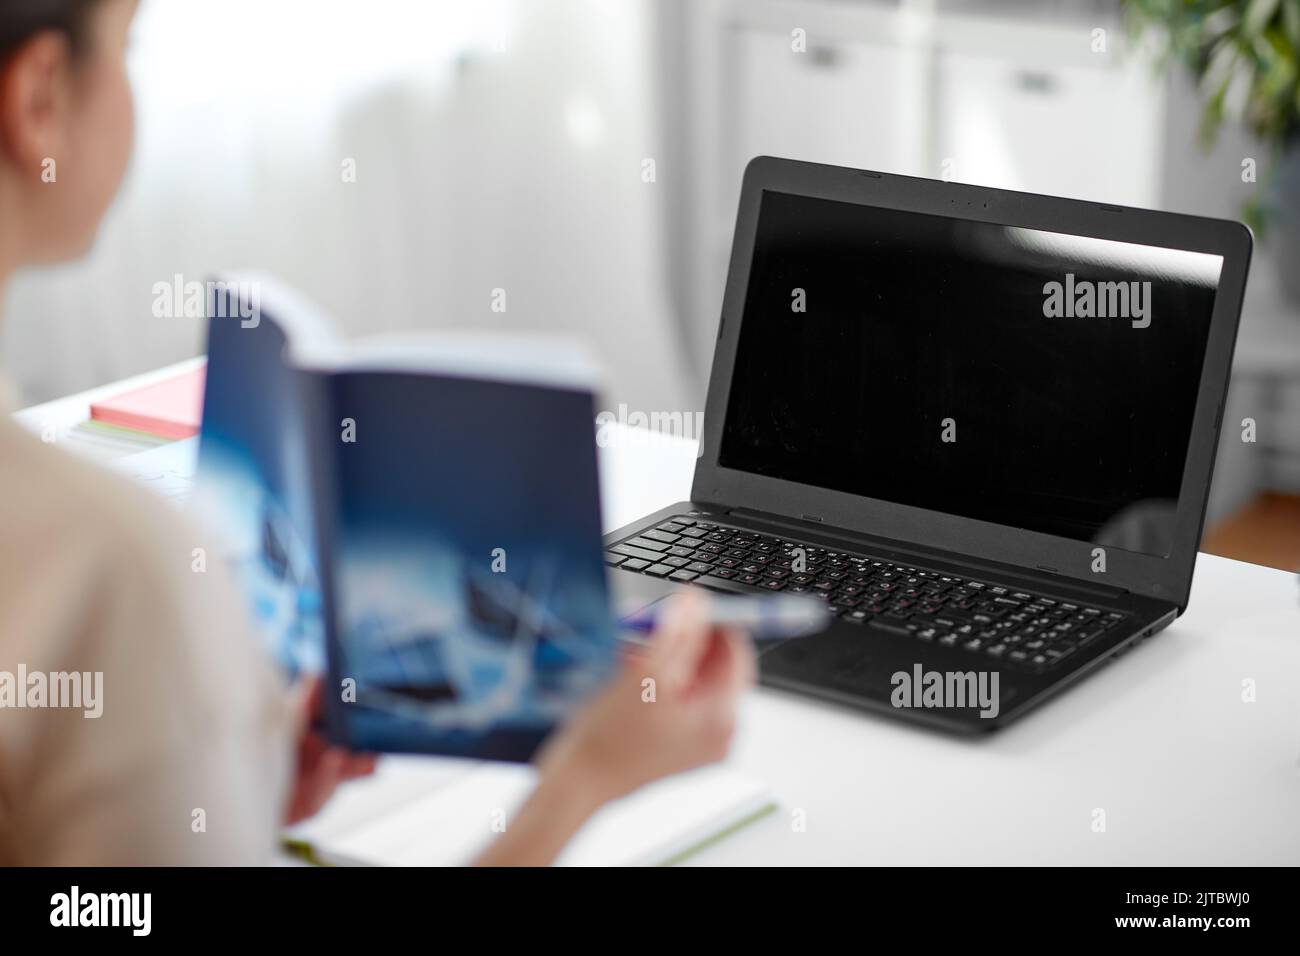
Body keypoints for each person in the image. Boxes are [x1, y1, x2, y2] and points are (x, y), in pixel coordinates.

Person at [0, 0, 754, 866]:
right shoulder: (119, 568)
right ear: (38, 99)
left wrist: (226, 790)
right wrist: (585, 775)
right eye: (128, 46)